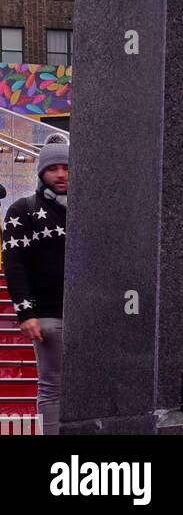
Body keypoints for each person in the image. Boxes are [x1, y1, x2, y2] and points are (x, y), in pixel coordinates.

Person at [0, 133, 67, 433]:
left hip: (91, 316)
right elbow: (14, 265)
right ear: (41, 172)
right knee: (51, 386)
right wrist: (25, 314)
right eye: (54, 168)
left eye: (66, 167)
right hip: (48, 315)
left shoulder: (92, 211)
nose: (61, 174)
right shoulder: (22, 210)